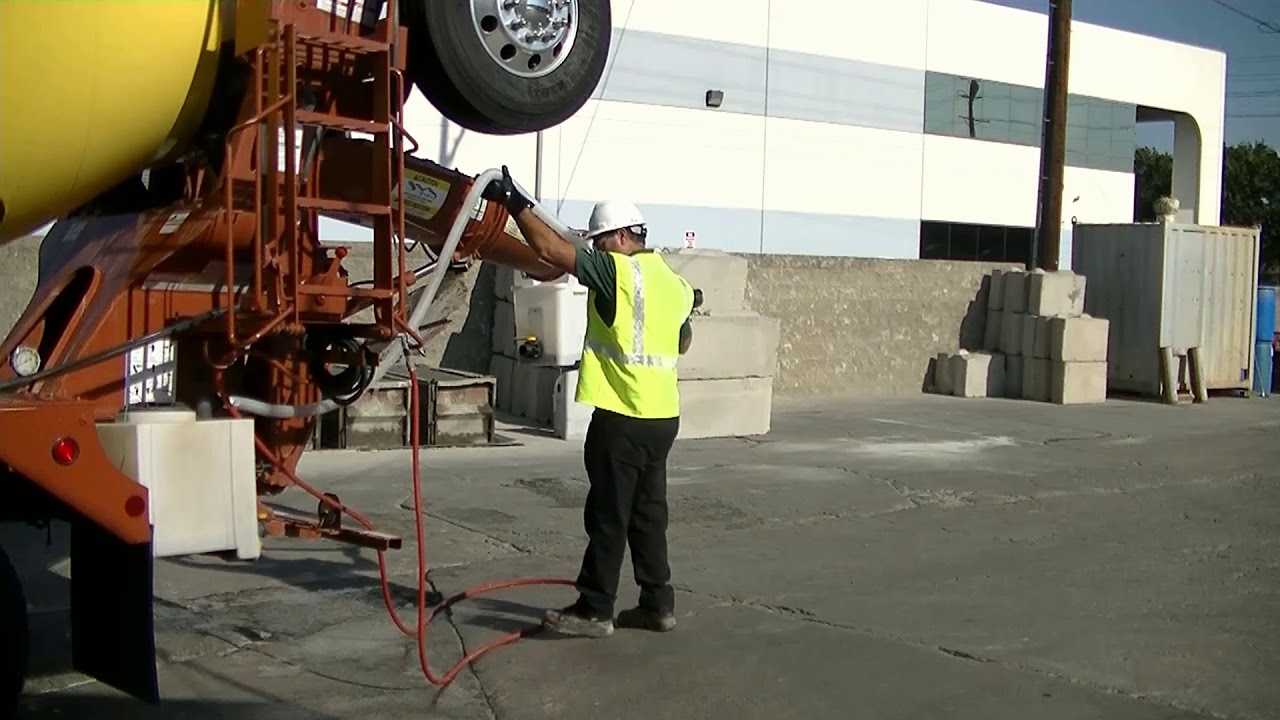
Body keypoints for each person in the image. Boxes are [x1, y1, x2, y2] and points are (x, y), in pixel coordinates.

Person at [482, 166, 695, 639]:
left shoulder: (617, 271)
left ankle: (595, 608)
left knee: (607, 513)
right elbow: (682, 342)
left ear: (620, 237)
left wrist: (514, 200)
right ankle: (657, 604)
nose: (595, 250)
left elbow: (551, 251)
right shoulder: (674, 285)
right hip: (662, 418)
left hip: (622, 416)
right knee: (647, 513)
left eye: (599, 241)